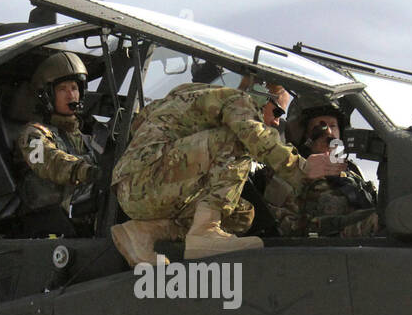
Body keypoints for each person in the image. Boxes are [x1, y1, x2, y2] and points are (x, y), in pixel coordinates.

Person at [109, 75, 345, 266]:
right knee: (240, 141)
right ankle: (205, 231)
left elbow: (139, 124)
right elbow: (254, 136)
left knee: (240, 214)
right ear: (261, 95)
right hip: (143, 181)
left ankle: (143, 232)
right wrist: (302, 168)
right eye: (277, 112)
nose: (276, 123)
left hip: (143, 189)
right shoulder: (239, 100)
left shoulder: (197, 98)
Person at [261, 99, 378, 238]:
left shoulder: (352, 171)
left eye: (333, 126)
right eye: (320, 126)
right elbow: (281, 226)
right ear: (305, 135)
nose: (328, 132)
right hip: (319, 250)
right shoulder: (289, 171)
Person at [14, 51, 99, 234]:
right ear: (47, 96)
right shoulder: (33, 135)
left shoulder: (90, 137)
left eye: (74, 88)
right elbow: (51, 162)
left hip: (84, 217)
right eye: (63, 89)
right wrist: (85, 171)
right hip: (48, 224)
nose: (71, 95)